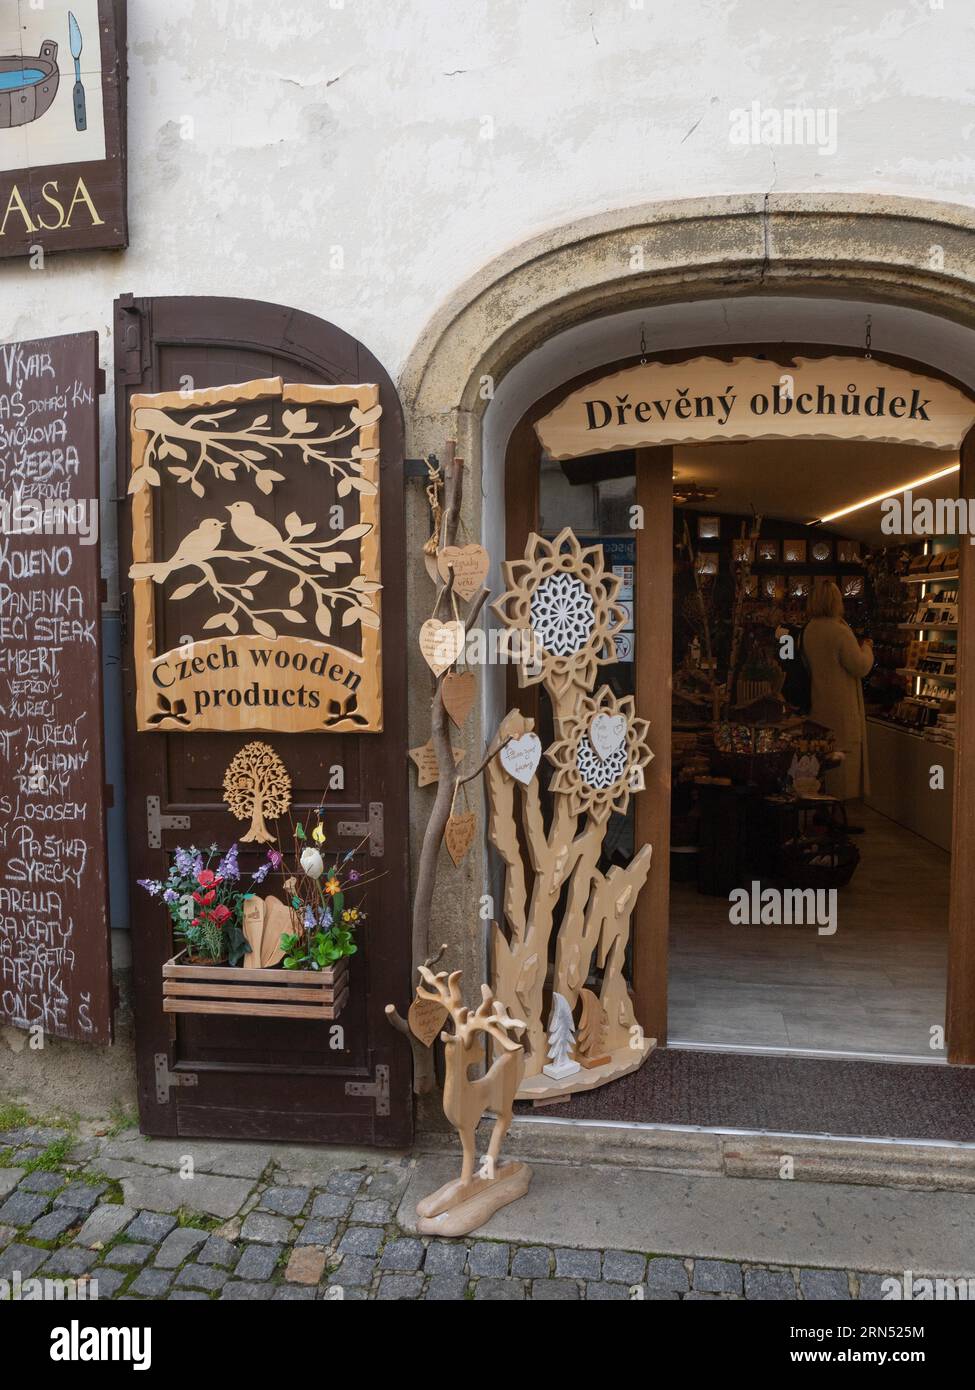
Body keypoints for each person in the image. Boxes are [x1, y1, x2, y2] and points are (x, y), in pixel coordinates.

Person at [802, 580, 874, 826]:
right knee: (843, 759)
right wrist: (867, 649)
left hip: (819, 703)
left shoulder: (809, 629)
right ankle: (836, 817)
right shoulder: (840, 630)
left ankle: (823, 813)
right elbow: (859, 666)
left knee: (824, 760)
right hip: (842, 705)